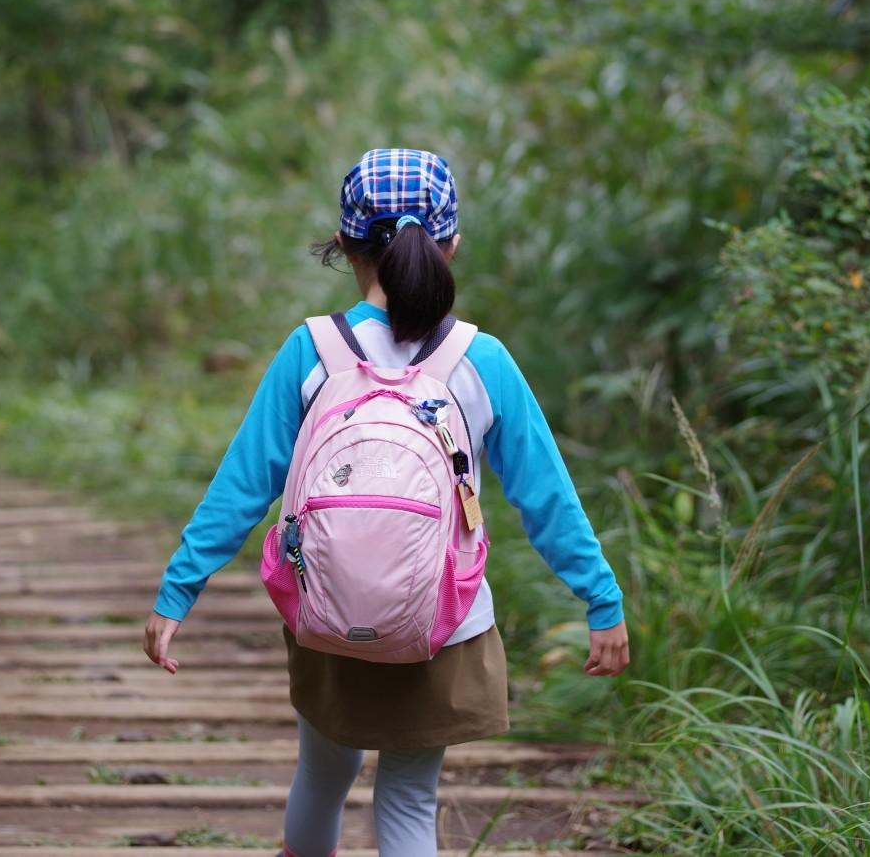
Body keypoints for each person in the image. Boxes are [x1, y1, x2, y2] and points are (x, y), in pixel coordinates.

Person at [142, 147, 629, 857]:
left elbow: (243, 487)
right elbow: (546, 498)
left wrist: (176, 592)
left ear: (344, 244)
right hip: (442, 623)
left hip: (326, 612)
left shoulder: (311, 350)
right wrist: (601, 600)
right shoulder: (479, 359)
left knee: (322, 773)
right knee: (408, 799)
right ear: (451, 244)